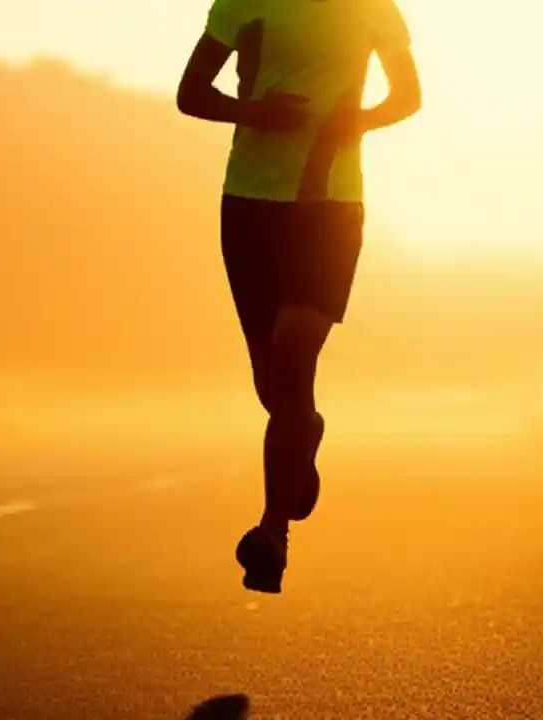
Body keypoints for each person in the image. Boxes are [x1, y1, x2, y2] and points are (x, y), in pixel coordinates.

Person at [177, 0, 421, 593]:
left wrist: (360, 120)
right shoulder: (242, 3)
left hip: (330, 209)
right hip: (249, 206)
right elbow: (191, 93)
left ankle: (272, 532)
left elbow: (408, 96)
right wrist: (254, 112)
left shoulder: (374, 8)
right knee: (273, 385)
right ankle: (303, 431)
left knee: (291, 354)